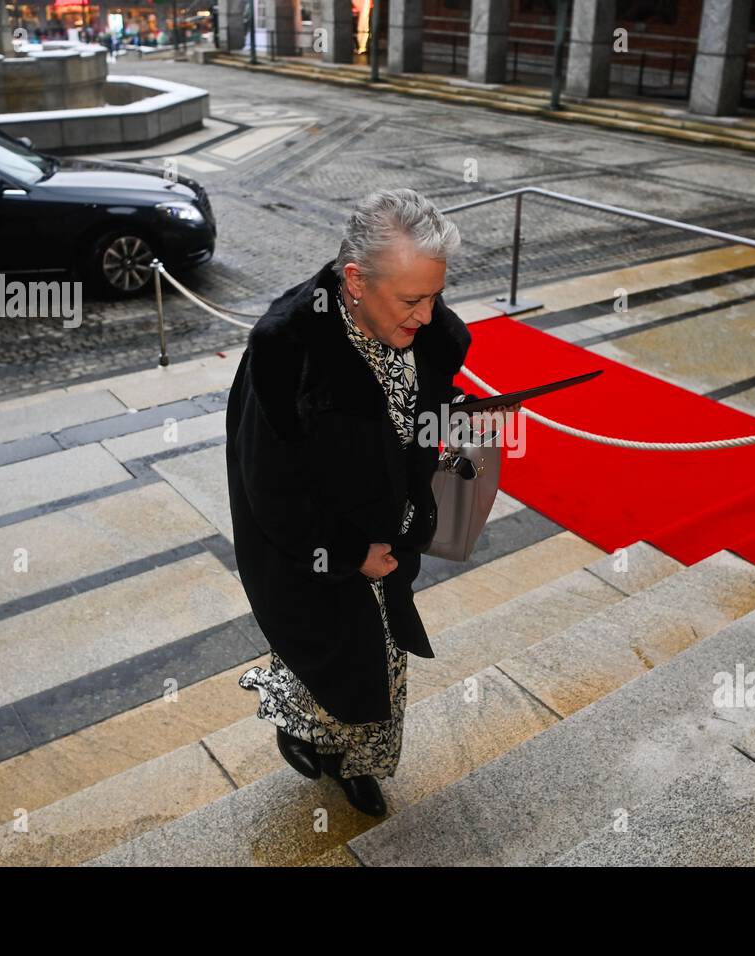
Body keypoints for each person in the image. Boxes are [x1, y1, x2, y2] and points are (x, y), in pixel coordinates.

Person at [225, 188, 517, 817]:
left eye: (436, 295)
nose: (427, 314)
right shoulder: (287, 352)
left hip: (392, 539)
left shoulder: (418, 324)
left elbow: (411, 412)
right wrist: (353, 553)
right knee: (334, 653)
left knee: (379, 663)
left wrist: (457, 425)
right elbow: (268, 489)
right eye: (412, 299)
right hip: (318, 556)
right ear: (355, 280)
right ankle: (305, 731)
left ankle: (355, 763)